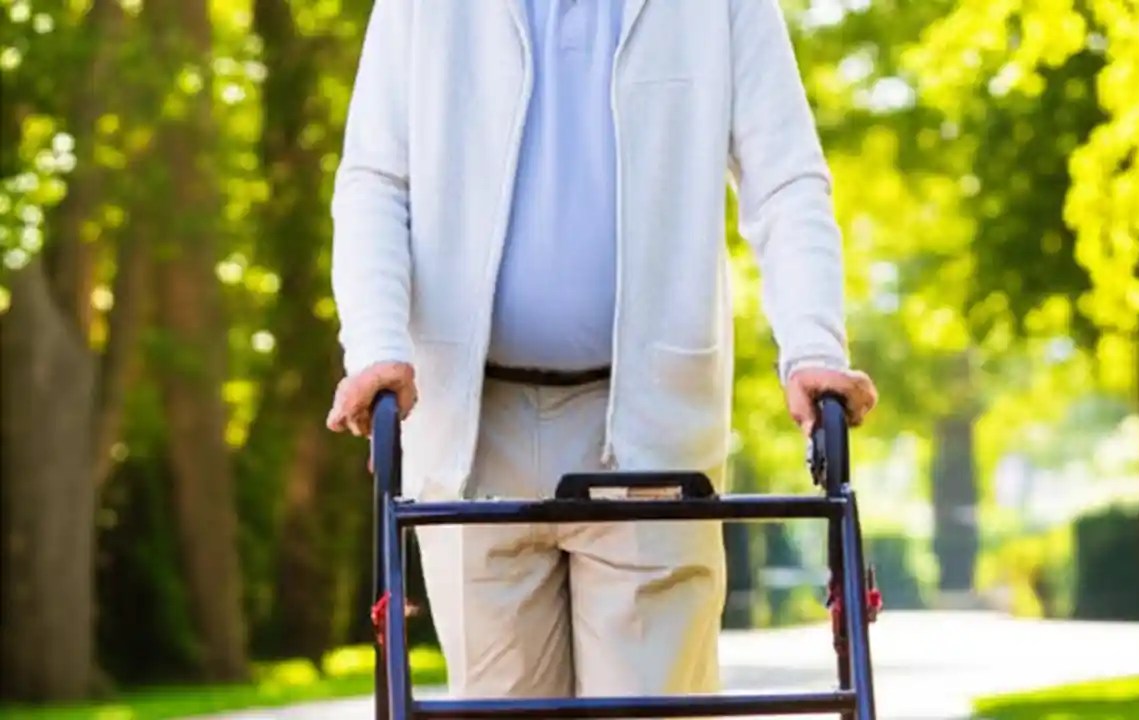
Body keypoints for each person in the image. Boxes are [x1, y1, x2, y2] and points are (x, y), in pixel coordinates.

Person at [324, 0, 878, 706]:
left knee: (653, 708)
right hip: (472, 434)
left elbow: (784, 180)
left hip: (650, 431)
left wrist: (812, 346)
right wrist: (376, 343)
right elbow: (376, 178)